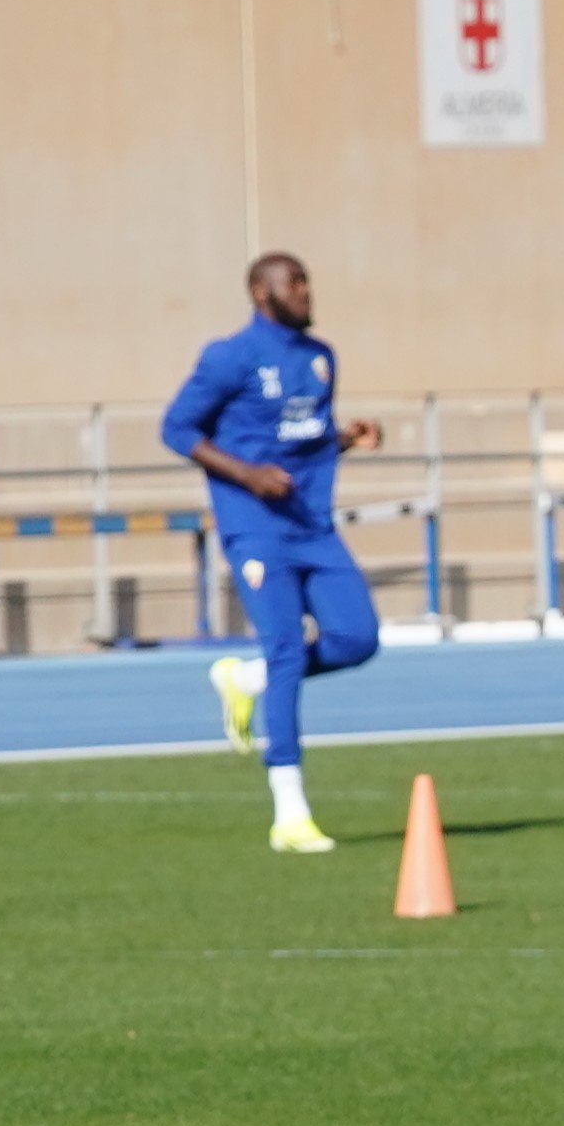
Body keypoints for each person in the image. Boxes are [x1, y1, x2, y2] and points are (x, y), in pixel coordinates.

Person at [167, 253, 382, 854]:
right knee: (287, 649)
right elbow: (177, 429)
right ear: (263, 292)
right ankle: (290, 814)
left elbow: (303, 440)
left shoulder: (321, 357)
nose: (307, 292)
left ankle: (246, 678)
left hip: (313, 526)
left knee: (357, 638)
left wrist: (346, 438)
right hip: (256, 528)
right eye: (295, 283)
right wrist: (247, 475)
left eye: (308, 281)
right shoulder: (230, 356)